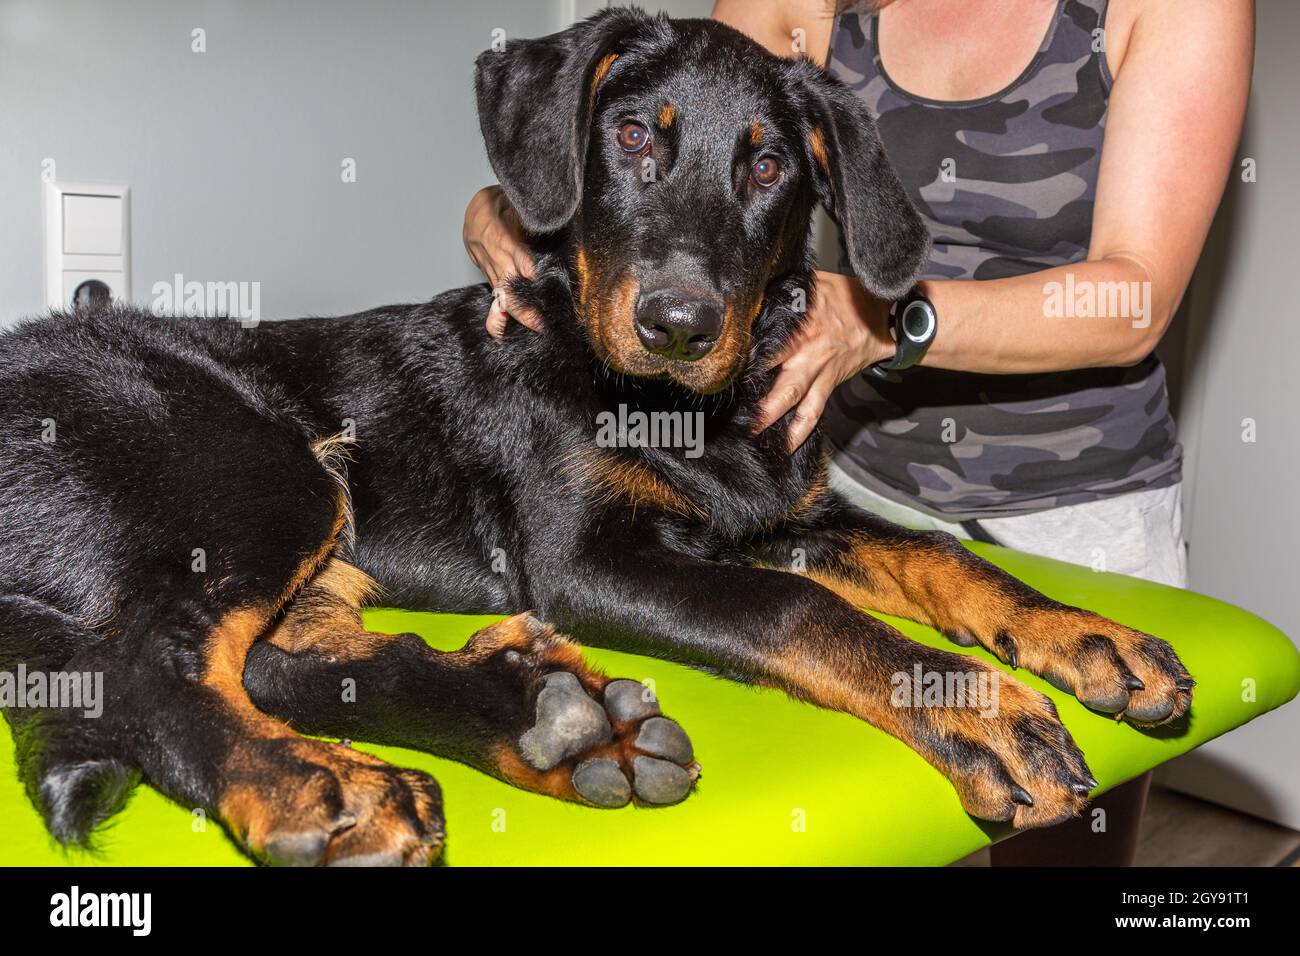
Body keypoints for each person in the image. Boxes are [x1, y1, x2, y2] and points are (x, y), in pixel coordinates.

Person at [462, 0, 1253, 588]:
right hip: (852, 494)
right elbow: (706, 148)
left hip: (1077, 511)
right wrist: (514, 205)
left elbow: (1134, 301)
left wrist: (885, 325)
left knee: (1070, 800)